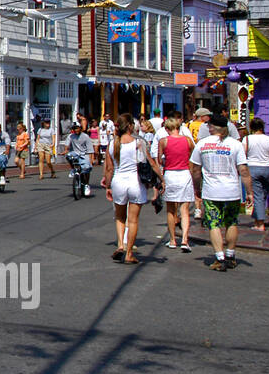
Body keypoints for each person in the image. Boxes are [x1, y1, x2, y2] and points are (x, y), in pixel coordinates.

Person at [190, 115, 254, 271]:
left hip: (212, 191)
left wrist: (197, 187)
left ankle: (219, 257)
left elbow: (195, 169)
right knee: (231, 222)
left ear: (212, 127)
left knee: (214, 224)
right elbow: (243, 170)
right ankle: (230, 255)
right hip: (232, 190)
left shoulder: (202, 144)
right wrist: (250, 192)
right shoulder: (235, 144)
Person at [101, 113, 162, 265]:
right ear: (130, 126)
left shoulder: (112, 144)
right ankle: (129, 253)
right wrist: (162, 179)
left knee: (120, 217)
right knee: (133, 220)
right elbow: (151, 164)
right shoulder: (138, 143)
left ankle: (120, 244)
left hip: (118, 182)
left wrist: (108, 186)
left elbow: (109, 169)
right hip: (135, 183)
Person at [158, 115, 194, 251]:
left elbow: (160, 160)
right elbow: (192, 156)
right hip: (185, 174)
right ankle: (185, 240)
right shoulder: (188, 140)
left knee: (171, 209)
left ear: (167, 128)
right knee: (184, 210)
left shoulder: (164, 141)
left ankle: (173, 240)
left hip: (170, 174)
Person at [243, 117, 269, 233]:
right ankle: (257, 220)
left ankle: (260, 223)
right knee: (262, 196)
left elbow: (243, 154)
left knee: (257, 196)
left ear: (251, 127)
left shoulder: (247, 139)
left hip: (252, 168)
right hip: (267, 168)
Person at [63, 121, 93, 196]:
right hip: (75, 153)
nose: (76, 130)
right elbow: (67, 145)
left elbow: (90, 150)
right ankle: (73, 169)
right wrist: (66, 150)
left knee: (87, 168)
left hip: (84, 154)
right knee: (69, 156)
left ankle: (86, 185)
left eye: (77, 128)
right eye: (74, 128)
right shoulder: (71, 136)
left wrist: (91, 160)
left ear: (80, 128)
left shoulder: (85, 136)